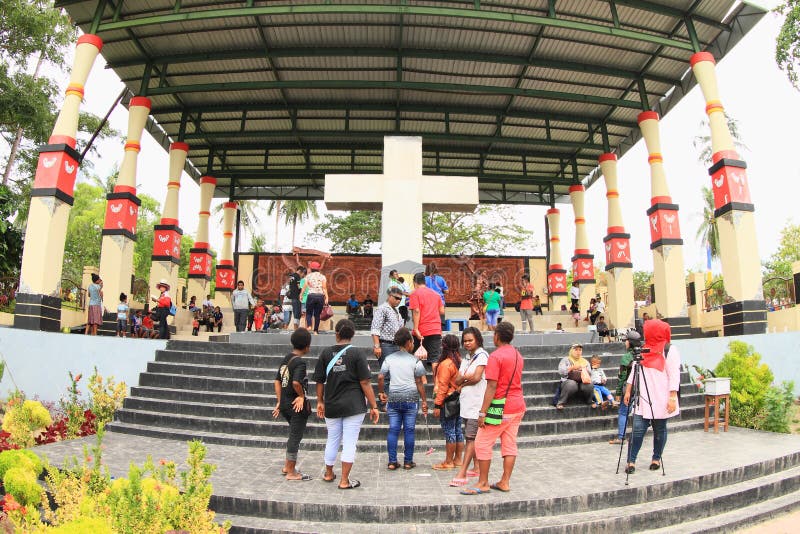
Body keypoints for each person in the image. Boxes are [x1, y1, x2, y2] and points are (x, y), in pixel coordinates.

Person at [314, 319, 380, 489]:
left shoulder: (325, 353)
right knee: (350, 442)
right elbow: (365, 382)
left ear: (336, 334)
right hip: (354, 405)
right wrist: (374, 406)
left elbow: (319, 381)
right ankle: (344, 480)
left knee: (332, 439)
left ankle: (329, 473)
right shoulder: (357, 354)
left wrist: (320, 401)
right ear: (353, 334)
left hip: (332, 403)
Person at [461, 322, 525, 495]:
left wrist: (482, 412)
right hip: (517, 405)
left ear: (497, 336)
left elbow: (491, 386)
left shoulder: (496, 357)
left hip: (500, 407)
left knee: (482, 443)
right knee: (509, 444)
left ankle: (483, 482)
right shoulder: (518, 355)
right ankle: (505, 481)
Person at [624, 319, 681, 474]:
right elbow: (634, 372)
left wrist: (672, 397)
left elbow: (674, 375)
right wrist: (628, 390)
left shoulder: (669, 350)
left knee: (660, 430)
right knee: (637, 430)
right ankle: (631, 461)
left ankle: (656, 458)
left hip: (662, 398)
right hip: (643, 399)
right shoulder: (643, 349)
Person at [378, 327, 427, 470]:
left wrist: (381, 392)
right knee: (409, 430)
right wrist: (424, 400)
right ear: (408, 342)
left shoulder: (389, 359)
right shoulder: (415, 360)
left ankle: (392, 462)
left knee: (393, 430)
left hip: (393, 398)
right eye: (412, 342)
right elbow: (419, 382)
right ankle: (408, 461)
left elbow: (380, 377)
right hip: (411, 399)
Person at [273, 328, 313, 481]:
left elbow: (277, 381)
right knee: (295, 437)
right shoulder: (300, 363)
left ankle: (287, 466)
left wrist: (280, 400)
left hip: (285, 404)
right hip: (296, 406)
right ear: (307, 346)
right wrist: (301, 396)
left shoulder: (287, 358)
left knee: (293, 435)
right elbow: (296, 382)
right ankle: (291, 472)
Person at [449, 327, 488, 487]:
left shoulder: (482, 356)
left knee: (470, 438)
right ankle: (476, 467)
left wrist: (463, 382)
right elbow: (457, 379)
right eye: (465, 341)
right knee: (472, 436)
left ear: (477, 340)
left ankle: (462, 472)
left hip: (476, 404)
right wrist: (465, 378)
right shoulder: (466, 358)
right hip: (467, 404)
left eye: (470, 340)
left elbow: (477, 378)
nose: (467, 343)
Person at [433, 334, 465, 471]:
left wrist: (437, 405)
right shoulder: (460, 361)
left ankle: (448, 461)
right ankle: (458, 459)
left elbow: (442, 386)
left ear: (444, 346)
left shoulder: (446, 364)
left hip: (448, 401)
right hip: (459, 400)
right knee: (458, 430)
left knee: (450, 431)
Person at [370, 287, 406, 409]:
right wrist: (377, 346)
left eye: (400, 299)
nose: (398, 301)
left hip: (396, 345)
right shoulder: (382, 309)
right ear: (390, 296)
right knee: (386, 375)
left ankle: (391, 401)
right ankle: (384, 403)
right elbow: (375, 328)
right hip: (385, 345)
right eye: (396, 298)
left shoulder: (396, 311)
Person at [409, 272, 445, 376]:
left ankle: (423, 381)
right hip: (436, 329)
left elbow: (416, 311)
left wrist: (416, 329)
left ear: (415, 282)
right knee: (435, 359)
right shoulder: (436, 294)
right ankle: (437, 383)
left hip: (422, 330)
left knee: (419, 356)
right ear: (425, 282)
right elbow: (442, 311)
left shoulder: (415, 294)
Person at [609, 331, 635, 445]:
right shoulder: (642, 355)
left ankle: (621, 437)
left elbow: (622, 376)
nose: (625, 343)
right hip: (642, 387)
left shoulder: (626, 357)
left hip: (629, 388)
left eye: (626, 341)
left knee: (623, 412)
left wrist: (618, 392)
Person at [555, 344, 594, 410]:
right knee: (571, 384)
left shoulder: (585, 361)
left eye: (580, 350)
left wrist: (583, 370)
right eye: (576, 350)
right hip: (568, 381)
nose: (578, 352)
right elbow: (561, 372)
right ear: (571, 351)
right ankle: (561, 402)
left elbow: (590, 373)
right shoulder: (565, 360)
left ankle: (589, 401)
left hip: (582, 381)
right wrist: (571, 368)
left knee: (589, 385)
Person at [302, 261, 328, 335]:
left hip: (311, 295)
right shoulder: (322, 277)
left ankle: (309, 326)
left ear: (311, 268)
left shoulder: (308, 276)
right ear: (318, 268)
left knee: (309, 312)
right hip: (320, 296)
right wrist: (327, 297)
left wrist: (301, 294)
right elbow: (324, 288)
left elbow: (305, 286)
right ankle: (315, 331)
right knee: (317, 314)